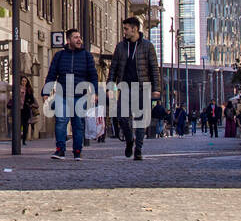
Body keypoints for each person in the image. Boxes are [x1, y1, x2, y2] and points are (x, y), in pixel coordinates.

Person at [108, 16, 161, 161]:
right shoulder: (120, 47)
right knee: (122, 118)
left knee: (140, 121)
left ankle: (138, 149)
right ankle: (129, 140)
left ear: (135, 29)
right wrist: (110, 87)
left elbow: (154, 69)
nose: (124, 32)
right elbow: (113, 68)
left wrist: (156, 88)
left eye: (126, 29)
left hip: (142, 87)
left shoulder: (147, 46)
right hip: (124, 87)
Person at [43, 28, 98, 161]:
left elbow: (93, 76)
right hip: (62, 94)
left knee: (78, 125)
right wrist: (46, 91)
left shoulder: (86, 56)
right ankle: (60, 150)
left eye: (80, 37)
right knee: (61, 122)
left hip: (80, 95)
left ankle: (77, 151)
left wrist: (95, 93)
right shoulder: (59, 56)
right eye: (75, 37)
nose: (79, 40)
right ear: (68, 40)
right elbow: (51, 74)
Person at [18, 75, 38, 143]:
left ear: (27, 82)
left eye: (25, 81)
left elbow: (32, 100)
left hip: (26, 109)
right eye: (22, 81)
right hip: (18, 109)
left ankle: (24, 139)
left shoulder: (29, 89)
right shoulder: (17, 88)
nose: (23, 82)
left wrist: (28, 103)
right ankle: (17, 139)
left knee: (25, 124)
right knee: (18, 124)